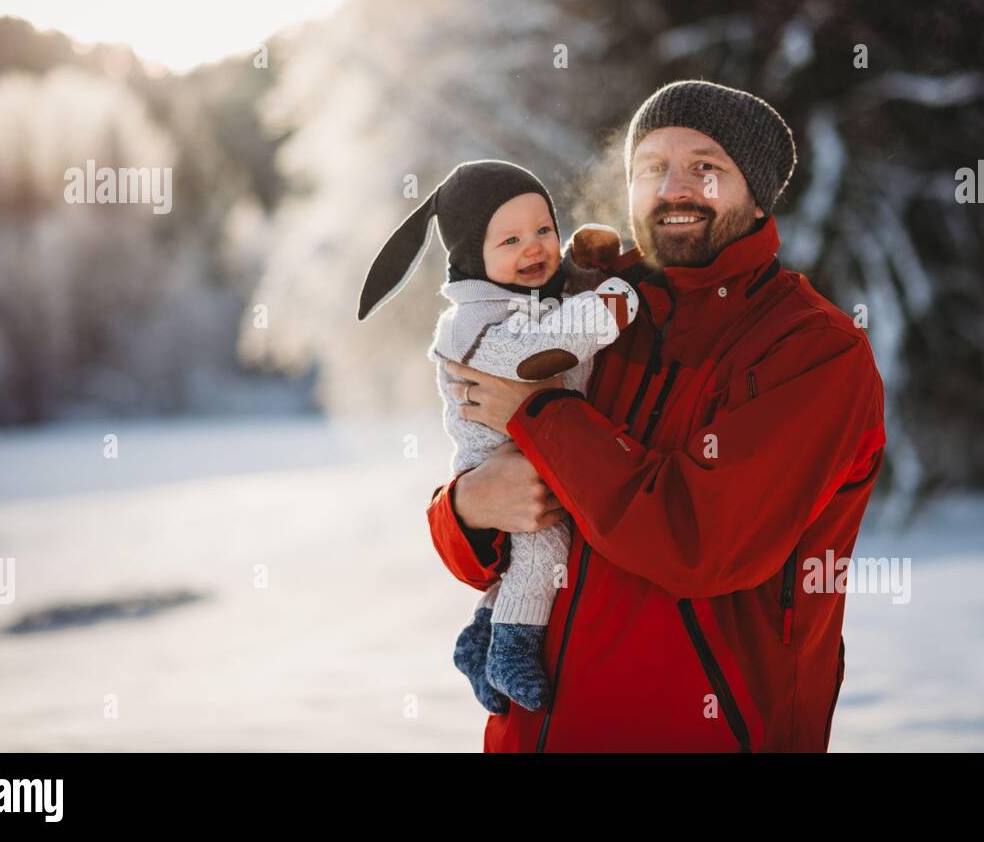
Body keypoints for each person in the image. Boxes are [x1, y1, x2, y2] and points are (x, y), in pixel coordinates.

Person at [430, 79, 887, 752]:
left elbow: (699, 544)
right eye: (652, 168)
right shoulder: (594, 310)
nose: (675, 188)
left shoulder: (813, 351)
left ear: (756, 192)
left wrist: (543, 413)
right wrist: (467, 509)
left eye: (706, 167)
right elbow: (480, 525)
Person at [356, 159, 638, 715]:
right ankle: (513, 646)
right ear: (469, 256)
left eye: (543, 231)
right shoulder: (468, 321)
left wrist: (594, 269)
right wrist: (611, 307)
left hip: (537, 448)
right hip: (503, 461)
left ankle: (481, 637)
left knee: (525, 557)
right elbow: (534, 356)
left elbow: (559, 311)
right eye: (509, 239)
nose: (533, 248)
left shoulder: (527, 297)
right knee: (545, 544)